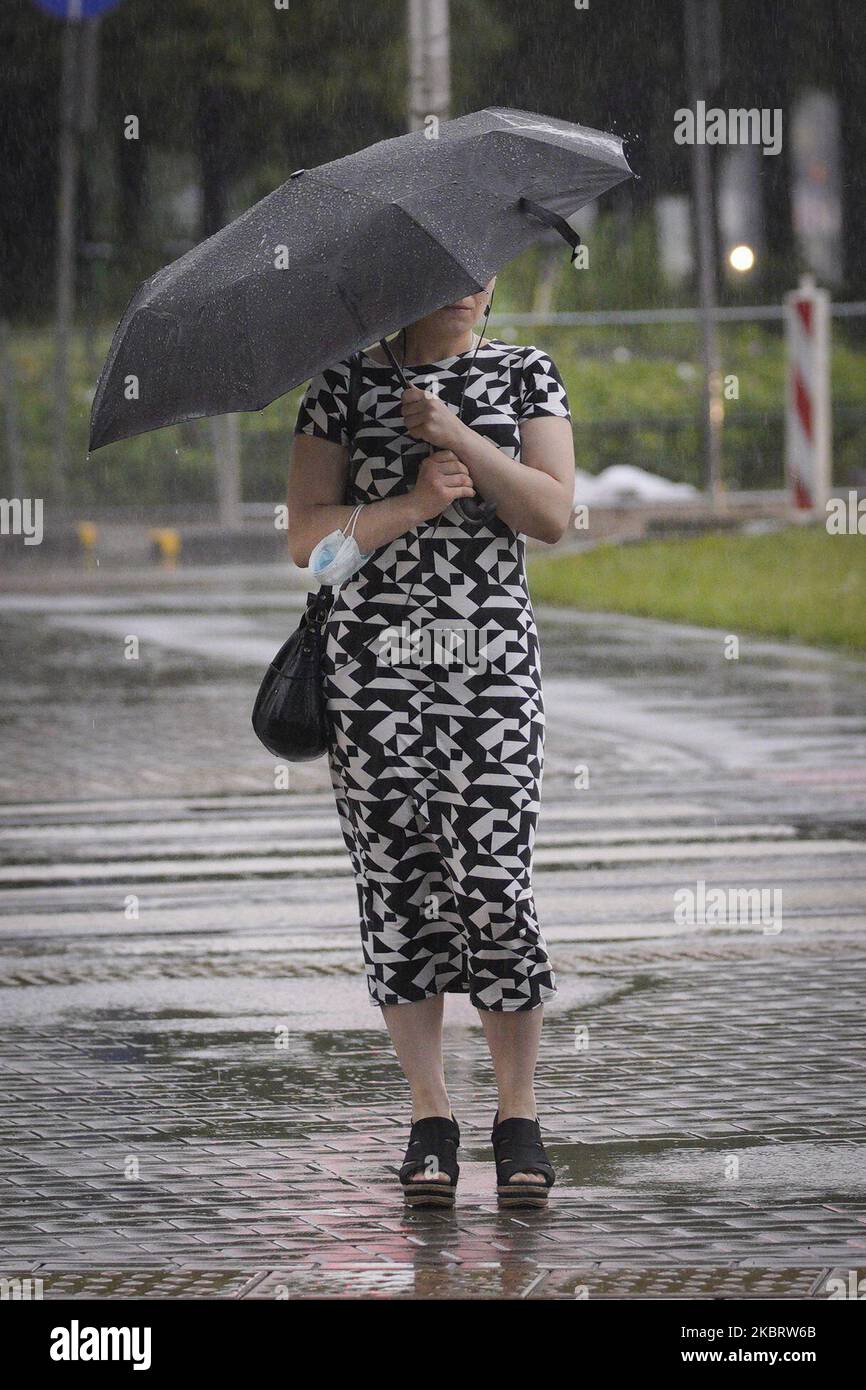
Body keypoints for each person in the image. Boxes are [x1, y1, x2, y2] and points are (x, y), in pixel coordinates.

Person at [289, 278, 575, 1207]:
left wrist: (458, 437)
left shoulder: (525, 375)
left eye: (481, 267)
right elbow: (306, 542)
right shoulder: (341, 389)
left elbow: (551, 514)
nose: (470, 287)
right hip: (371, 677)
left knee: (495, 883)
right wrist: (408, 505)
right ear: (399, 280)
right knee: (401, 886)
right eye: (446, 273)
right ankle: (430, 1116)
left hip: (490, 670)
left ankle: (518, 1112)